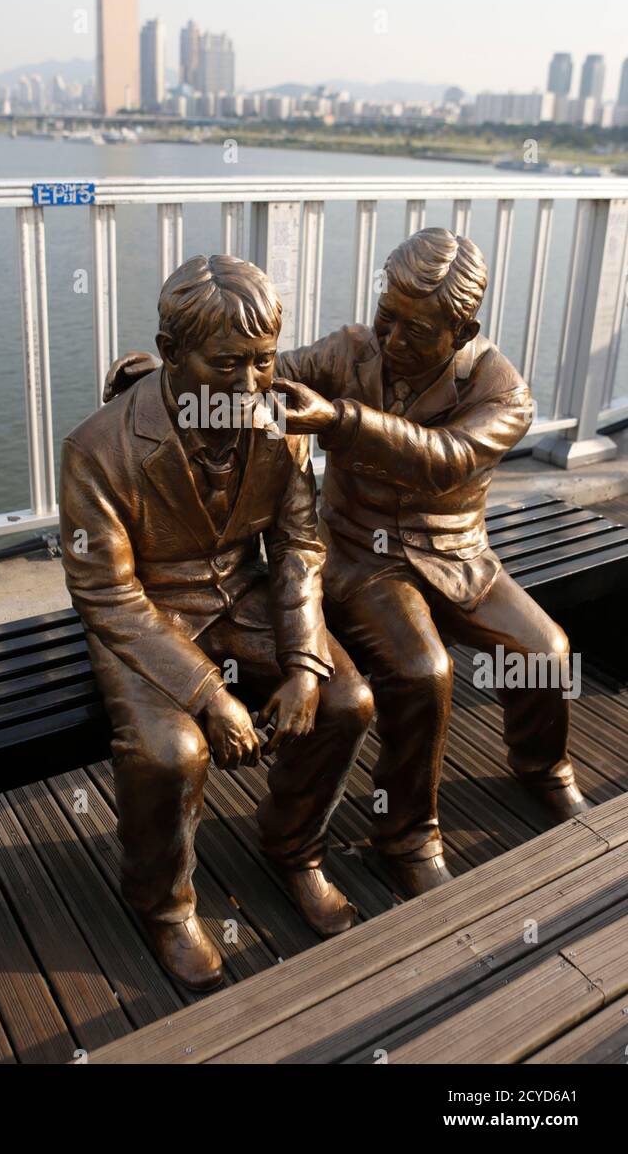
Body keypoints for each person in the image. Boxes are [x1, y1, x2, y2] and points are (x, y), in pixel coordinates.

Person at [106, 229, 583, 899]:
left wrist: (339, 421)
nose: (391, 340)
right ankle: (408, 834)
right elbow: (262, 369)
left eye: (416, 332)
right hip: (360, 556)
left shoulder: (502, 391)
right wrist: (157, 380)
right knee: (423, 671)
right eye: (388, 315)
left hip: (458, 555)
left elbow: (443, 458)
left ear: (462, 329)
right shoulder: (350, 348)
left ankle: (545, 770)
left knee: (548, 650)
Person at [60, 254, 373, 992]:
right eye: (228, 364)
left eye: (264, 361)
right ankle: (163, 904)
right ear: (172, 354)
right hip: (146, 615)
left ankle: (293, 846)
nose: (251, 384)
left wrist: (302, 663)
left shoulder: (278, 420)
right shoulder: (97, 449)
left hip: (247, 595)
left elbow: (298, 544)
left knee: (344, 700)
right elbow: (104, 593)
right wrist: (210, 695)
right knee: (173, 755)